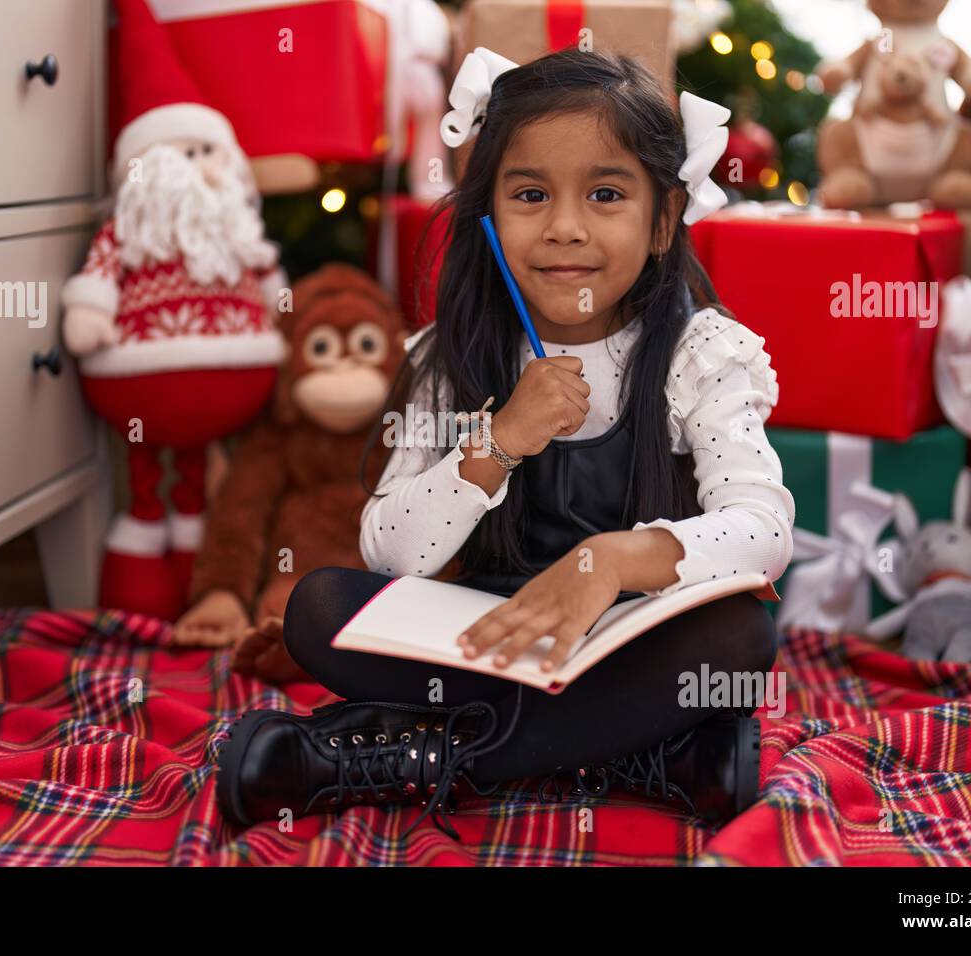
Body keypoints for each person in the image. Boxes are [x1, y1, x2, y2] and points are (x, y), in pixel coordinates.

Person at [216, 47, 795, 841]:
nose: (564, 226)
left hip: (634, 637)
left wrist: (613, 562)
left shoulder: (702, 355)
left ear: (663, 220)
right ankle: (642, 755)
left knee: (738, 639)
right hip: (494, 631)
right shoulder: (445, 358)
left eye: (605, 194)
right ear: (486, 215)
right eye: (530, 193)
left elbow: (763, 532)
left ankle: (378, 759)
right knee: (321, 608)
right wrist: (498, 442)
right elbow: (393, 553)